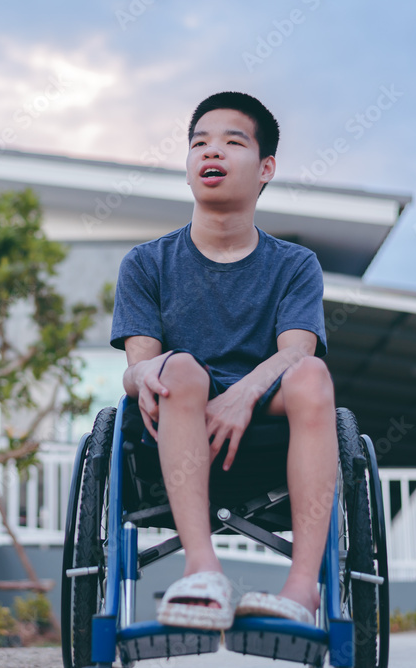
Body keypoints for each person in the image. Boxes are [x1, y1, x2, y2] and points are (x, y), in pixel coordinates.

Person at [110, 91, 337, 630]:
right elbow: (136, 367)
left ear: (265, 169)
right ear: (189, 168)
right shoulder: (146, 263)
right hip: (174, 423)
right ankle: (202, 570)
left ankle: (302, 592)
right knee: (179, 368)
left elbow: (297, 350)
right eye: (199, 143)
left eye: (232, 142)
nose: (211, 151)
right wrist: (151, 372)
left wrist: (241, 394)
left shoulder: (295, 265)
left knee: (312, 376)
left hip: (271, 428)